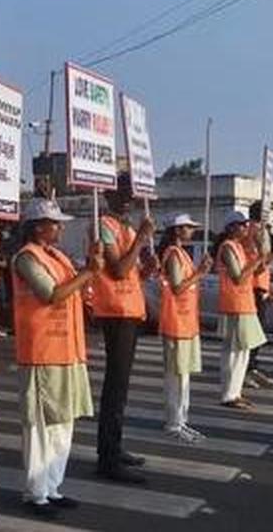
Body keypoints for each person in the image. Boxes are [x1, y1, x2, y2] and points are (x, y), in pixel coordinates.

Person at [12, 198, 102, 517]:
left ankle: (52, 486)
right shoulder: (26, 258)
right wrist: (87, 273)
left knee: (63, 422)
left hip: (67, 348)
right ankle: (36, 492)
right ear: (39, 227)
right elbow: (50, 293)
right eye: (56, 223)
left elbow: (76, 288)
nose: (61, 228)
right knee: (40, 425)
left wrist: (89, 270)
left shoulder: (58, 256)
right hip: (41, 350)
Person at [91, 174, 154, 484]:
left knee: (122, 387)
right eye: (123, 191)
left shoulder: (126, 227)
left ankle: (114, 446)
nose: (129, 198)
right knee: (115, 387)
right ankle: (108, 457)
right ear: (108, 194)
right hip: (114, 310)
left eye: (132, 192)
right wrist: (141, 238)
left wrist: (146, 269)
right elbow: (116, 269)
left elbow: (131, 273)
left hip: (130, 309)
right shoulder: (104, 225)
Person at [217, 211, 273, 409]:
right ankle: (229, 394)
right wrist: (258, 257)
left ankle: (235, 392)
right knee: (234, 352)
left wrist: (261, 255)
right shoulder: (227, 248)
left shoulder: (239, 248)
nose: (245, 228)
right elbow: (238, 277)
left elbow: (257, 271)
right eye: (240, 225)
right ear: (231, 228)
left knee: (242, 351)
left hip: (245, 302)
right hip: (234, 303)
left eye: (245, 224)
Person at [157, 214, 214, 442]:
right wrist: (200, 273)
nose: (192, 231)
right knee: (176, 376)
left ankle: (182, 420)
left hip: (187, 322)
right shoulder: (172, 254)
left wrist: (200, 271)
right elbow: (178, 287)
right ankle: (173, 423)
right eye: (188, 228)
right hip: (175, 322)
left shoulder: (182, 254)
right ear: (177, 230)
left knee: (185, 375)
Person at [244, 201, 273, 388]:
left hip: (261, 285)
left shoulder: (262, 230)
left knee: (259, 332)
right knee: (254, 333)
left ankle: (253, 366)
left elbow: (266, 266)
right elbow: (262, 262)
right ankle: (247, 369)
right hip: (254, 286)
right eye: (266, 211)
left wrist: (270, 286)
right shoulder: (254, 231)